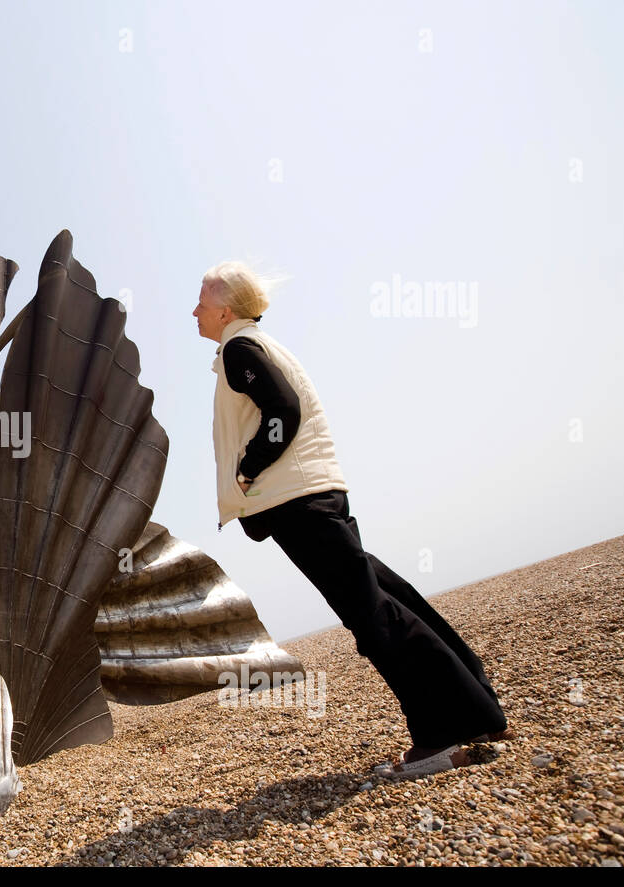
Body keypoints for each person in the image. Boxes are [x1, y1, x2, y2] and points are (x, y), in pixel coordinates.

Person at [194, 261, 510, 779]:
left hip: (298, 501)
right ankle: (477, 709)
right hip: (317, 492)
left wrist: (249, 470)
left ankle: (441, 734)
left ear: (225, 309)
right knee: (388, 596)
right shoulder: (259, 344)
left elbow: (282, 411)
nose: (194, 311)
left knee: (369, 615)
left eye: (201, 302)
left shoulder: (238, 349)